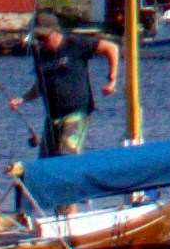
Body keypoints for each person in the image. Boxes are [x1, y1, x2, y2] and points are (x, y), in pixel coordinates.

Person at [23, 17, 108, 157]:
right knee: (46, 161)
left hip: (76, 112)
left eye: (44, 37)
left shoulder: (74, 43)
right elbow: (42, 85)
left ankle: (73, 176)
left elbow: (111, 48)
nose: (41, 41)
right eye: (38, 37)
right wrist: (23, 99)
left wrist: (112, 78)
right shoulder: (40, 54)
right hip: (53, 116)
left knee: (66, 155)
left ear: (55, 32)